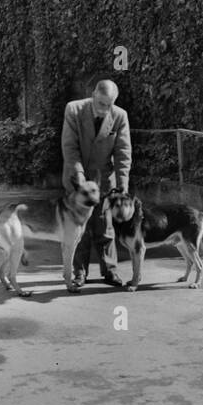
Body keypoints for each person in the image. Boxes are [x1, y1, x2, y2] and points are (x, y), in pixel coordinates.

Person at [61, 79, 132, 289]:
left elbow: (123, 153)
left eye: (108, 104)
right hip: (77, 181)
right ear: (93, 95)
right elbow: (70, 146)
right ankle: (79, 272)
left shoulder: (120, 115)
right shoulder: (74, 110)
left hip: (103, 182)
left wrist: (123, 186)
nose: (104, 109)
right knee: (78, 229)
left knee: (105, 227)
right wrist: (81, 178)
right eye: (101, 103)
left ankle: (110, 271)